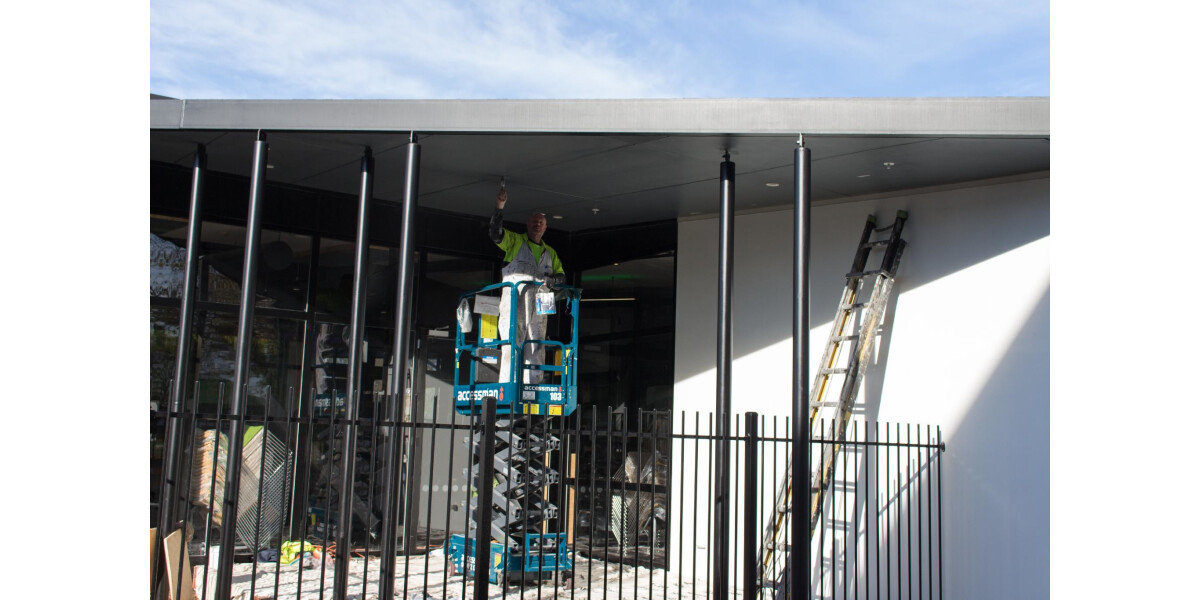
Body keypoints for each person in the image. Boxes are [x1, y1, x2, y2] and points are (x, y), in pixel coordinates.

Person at [489, 185, 564, 384]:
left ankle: (533, 392)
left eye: (541, 222)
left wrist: (554, 281)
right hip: (515, 303)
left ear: (546, 227)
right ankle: (509, 390)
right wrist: (499, 207)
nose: (537, 225)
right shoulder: (515, 241)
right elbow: (496, 234)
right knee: (512, 344)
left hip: (541, 304)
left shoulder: (550, 253)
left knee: (537, 346)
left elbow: (561, 277)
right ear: (528, 224)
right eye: (534, 222)